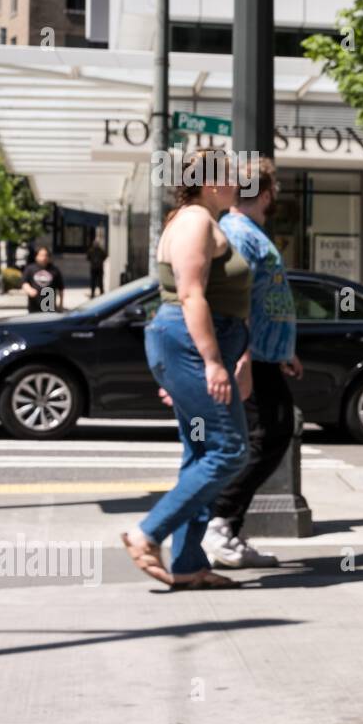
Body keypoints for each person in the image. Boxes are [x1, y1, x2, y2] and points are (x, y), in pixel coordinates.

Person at [121, 148, 252, 588]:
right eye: (232, 176)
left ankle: (189, 564)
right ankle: (147, 533)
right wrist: (212, 363)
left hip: (189, 348)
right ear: (213, 182)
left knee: (200, 451)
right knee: (229, 450)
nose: (237, 184)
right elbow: (192, 295)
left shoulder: (200, 219)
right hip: (191, 345)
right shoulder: (196, 221)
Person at [203, 157, 302, 568]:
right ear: (264, 194)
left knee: (266, 435)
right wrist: (240, 355)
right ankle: (218, 524)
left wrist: (285, 350)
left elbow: (264, 300)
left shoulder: (250, 232)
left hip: (264, 356)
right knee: (270, 434)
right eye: (272, 191)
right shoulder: (239, 233)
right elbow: (234, 297)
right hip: (250, 357)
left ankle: (226, 528)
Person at [20, 247, 64, 313]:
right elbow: (24, 283)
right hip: (34, 307)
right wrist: (29, 290)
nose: (43, 258)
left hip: (49, 307)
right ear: (36, 256)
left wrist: (60, 305)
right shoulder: (30, 269)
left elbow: (61, 288)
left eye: (46, 255)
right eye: (41, 255)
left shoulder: (54, 270)